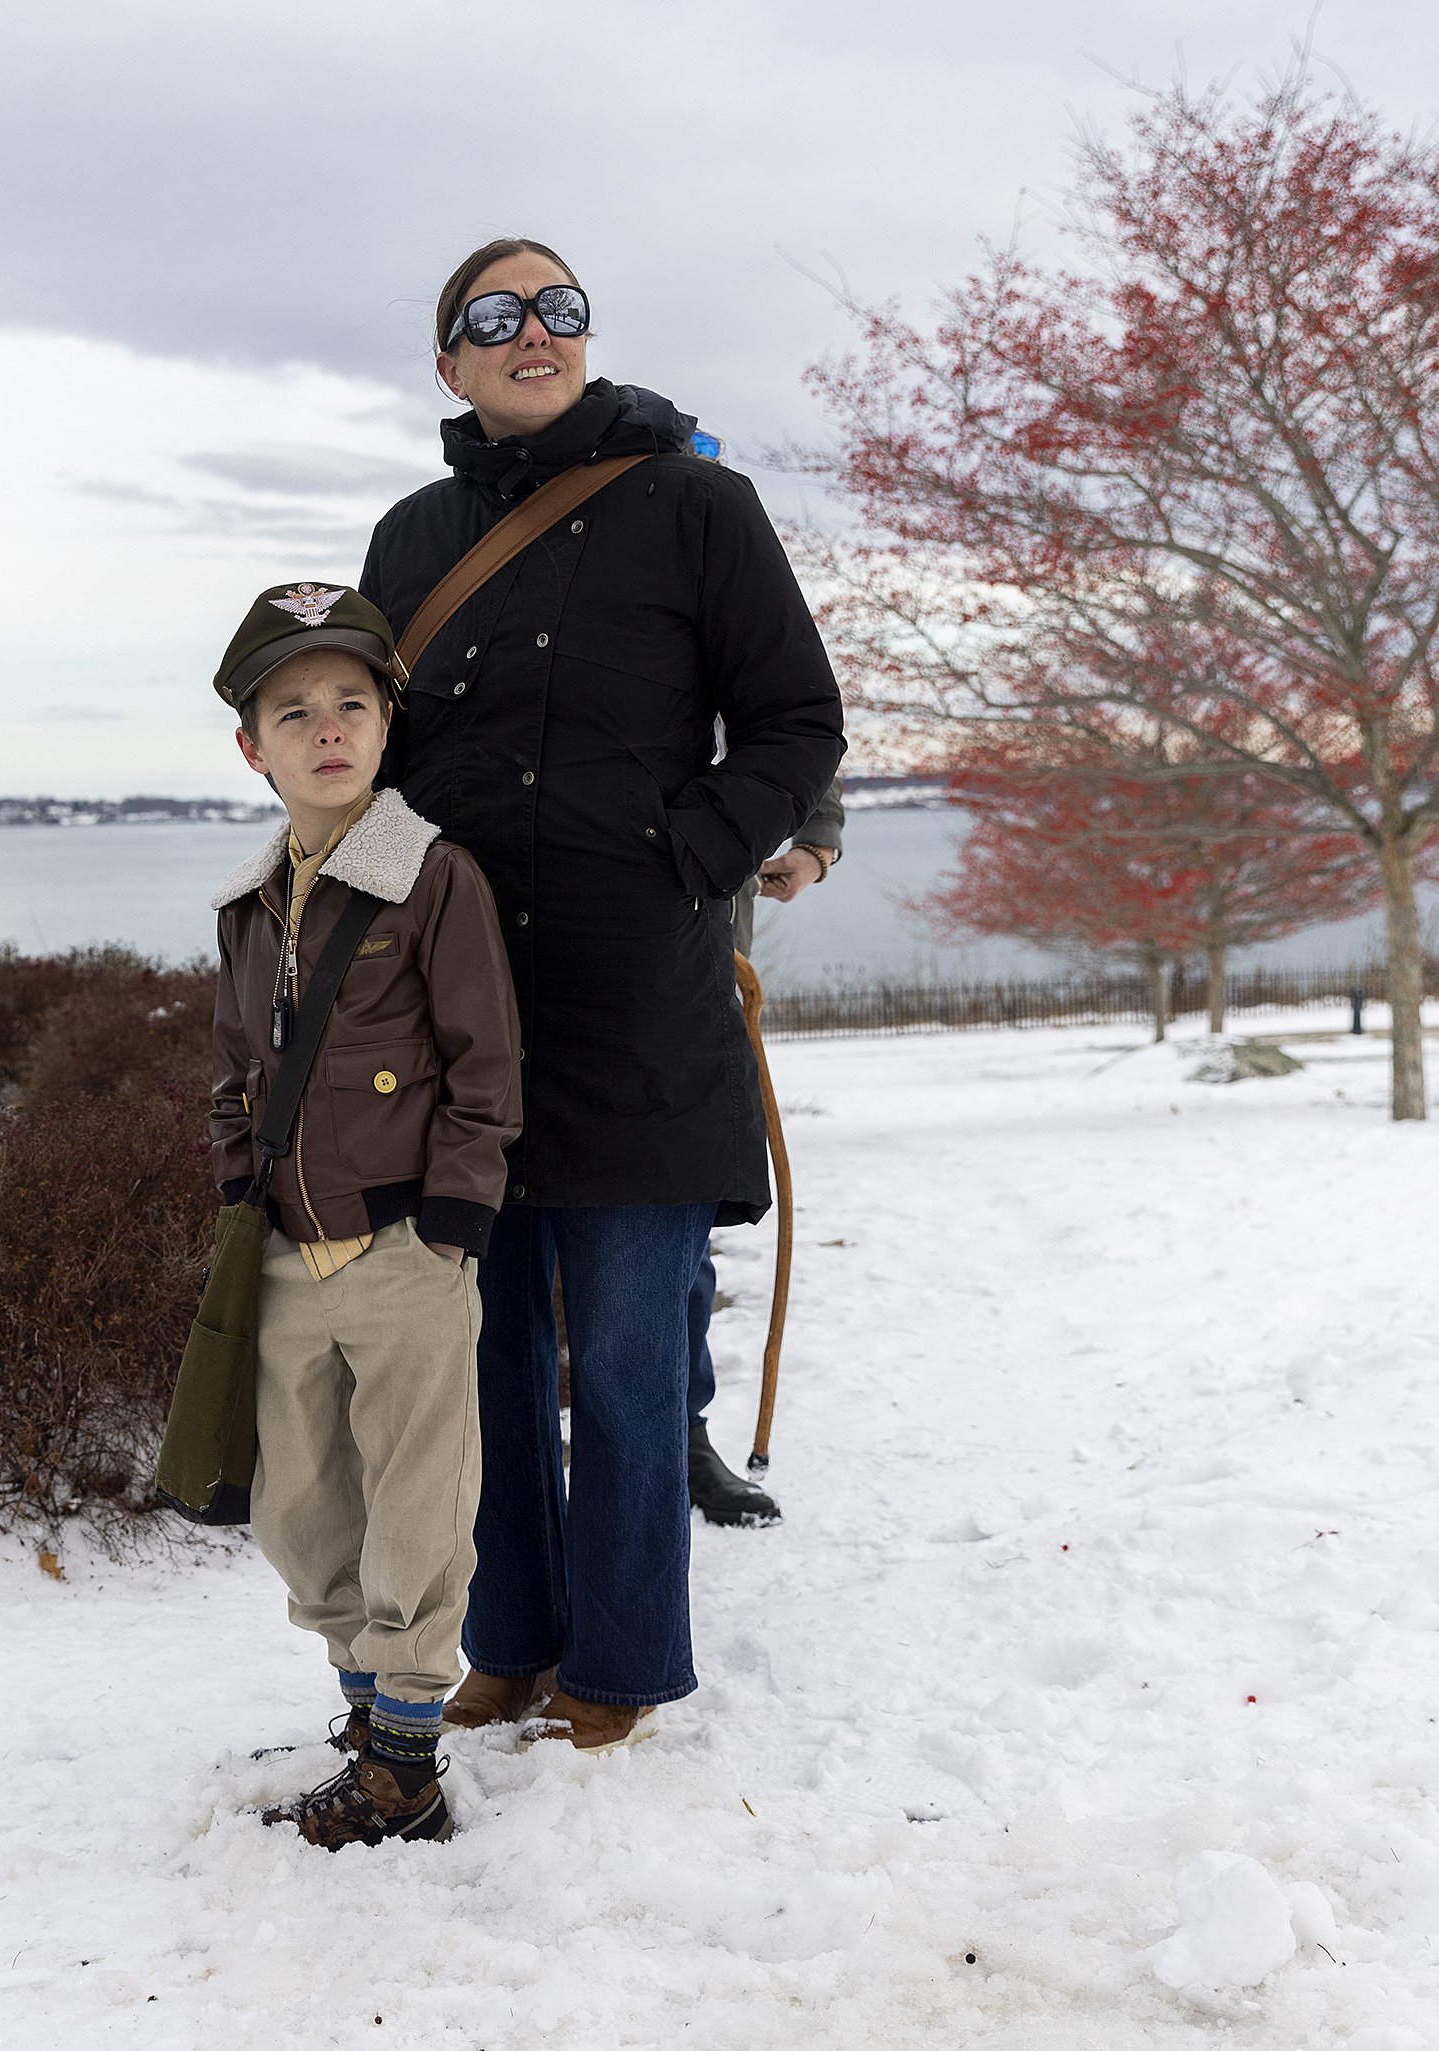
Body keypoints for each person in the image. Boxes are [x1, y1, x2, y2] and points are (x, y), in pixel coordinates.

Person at [359, 238, 844, 1748]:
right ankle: (507, 1639)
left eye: (559, 309)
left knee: (632, 1359)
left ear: (587, 336)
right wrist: (367, 937)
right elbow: (373, 760)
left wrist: (685, 855)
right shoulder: (413, 534)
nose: (534, 333)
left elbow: (794, 720)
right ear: (451, 364)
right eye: (494, 319)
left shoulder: (701, 505)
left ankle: (623, 1666)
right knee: (483, 1355)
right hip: (462, 1005)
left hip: (640, 999)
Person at [206, 583, 523, 1849]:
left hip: (405, 1240)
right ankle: (361, 1715)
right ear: (253, 745)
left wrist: (454, 1214)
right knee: (303, 1502)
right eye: (295, 711)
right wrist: (243, 1189)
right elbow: (231, 1067)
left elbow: (484, 1059)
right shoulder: (244, 902)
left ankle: (405, 1765)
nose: (326, 729)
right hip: (289, 1248)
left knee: (416, 1502)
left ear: (387, 725)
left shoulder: (433, 877)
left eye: (351, 703)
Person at [685, 782, 846, 1528]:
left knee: (678, 1226)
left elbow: (793, 705)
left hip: (691, 971)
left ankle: (680, 1437)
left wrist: (814, 838)